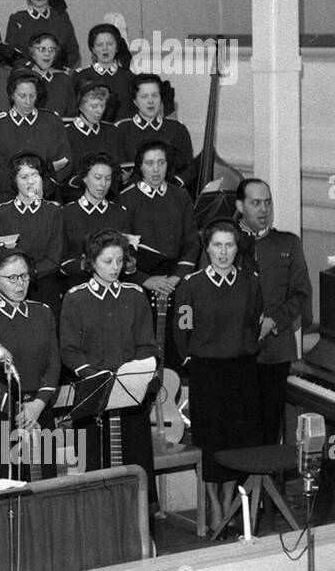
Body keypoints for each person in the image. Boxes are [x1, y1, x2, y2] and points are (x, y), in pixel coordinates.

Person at [174, 221, 265, 534]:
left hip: (240, 373)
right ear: (206, 247)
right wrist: (194, 362)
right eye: (217, 245)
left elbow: (254, 321)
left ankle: (231, 505)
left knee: (236, 442)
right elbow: (182, 329)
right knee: (211, 442)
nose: (224, 252)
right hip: (207, 374)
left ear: (237, 248)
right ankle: (216, 508)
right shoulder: (191, 285)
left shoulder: (250, 283)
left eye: (230, 245)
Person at [59, 231, 157, 476]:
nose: (115, 268)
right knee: (96, 468)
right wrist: (97, 377)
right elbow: (69, 350)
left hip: (131, 391)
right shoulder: (76, 298)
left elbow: (147, 344)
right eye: (107, 261)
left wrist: (129, 374)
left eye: (120, 261)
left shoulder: (135, 295)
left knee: (136, 462)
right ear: (91, 262)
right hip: (94, 392)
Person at [0, 250, 61, 480]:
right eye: (12, 278)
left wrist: (38, 405)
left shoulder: (43, 312)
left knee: (45, 479)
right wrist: (17, 411)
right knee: (6, 482)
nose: (20, 283)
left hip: (38, 408)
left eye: (24, 276)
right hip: (0, 409)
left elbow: (53, 364)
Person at [235, 179, 311, 445]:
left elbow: (301, 294)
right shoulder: (225, 244)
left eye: (268, 202)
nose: (264, 209)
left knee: (270, 430)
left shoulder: (287, 244)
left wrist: (273, 322)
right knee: (240, 429)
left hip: (276, 350)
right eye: (255, 203)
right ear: (240, 205)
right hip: (237, 350)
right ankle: (242, 487)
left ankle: (263, 485)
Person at [120, 140, 200, 367]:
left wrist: (175, 279)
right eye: (150, 163)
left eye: (161, 163)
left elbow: (192, 242)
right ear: (140, 166)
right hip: (142, 280)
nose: (156, 169)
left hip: (176, 279)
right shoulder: (126, 199)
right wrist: (146, 280)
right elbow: (122, 247)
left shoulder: (180, 196)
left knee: (182, 333)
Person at [0, 153, 65, 313]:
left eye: (34, 175)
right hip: (11, 285)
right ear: (14, 181)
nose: (30, 181)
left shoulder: (54, 211)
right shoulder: (2, 212)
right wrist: (17, 276)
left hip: (44, 284)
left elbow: (55, 257)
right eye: (24, 177)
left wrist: (27, 274)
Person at [115, 73, 197, 189]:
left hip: (168, 197)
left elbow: (189, 169)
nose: (150, 101)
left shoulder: (177, 129)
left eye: (155, 95)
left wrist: (173, 184)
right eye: (144, 96)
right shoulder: (121, 130)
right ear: (135, 101)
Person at [0, 73, 72, 186]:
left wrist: (44, 184)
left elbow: (65, 161)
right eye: (22, 96)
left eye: (32, 96)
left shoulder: (52, 121)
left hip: (46, 190)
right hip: (10, 191)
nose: (28, 102)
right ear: (12, 95)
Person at [60, 153, 127, 281]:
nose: (103, 184)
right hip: (78, 285)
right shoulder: (66, 213)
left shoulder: (119, 213)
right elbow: (60, 260)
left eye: (108, 178)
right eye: (97, 177)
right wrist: (87, 265)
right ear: (84, 178)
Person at [3, 0, 81, 69]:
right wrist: (31, 68)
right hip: (28, 76)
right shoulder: (18, 19)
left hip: (57, 74)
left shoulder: (61, 17)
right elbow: (11, 53)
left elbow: (73, 49)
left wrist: (60, 68)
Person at [72, 23, 134, 122]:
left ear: (117, 47)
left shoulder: (128, 77)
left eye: (110, 44)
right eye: (99, 45)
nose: (105, 49)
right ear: (93, 49)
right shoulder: (80, 76)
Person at [62, 82, 116, 196]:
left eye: (102, 105)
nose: (100, 111)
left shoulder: (111, 131)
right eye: (94, 106)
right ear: (81, 106)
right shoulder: (66, 133)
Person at [16, 32, 75, 117]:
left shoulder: (63, 80)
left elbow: (71, 113)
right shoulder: (22, 79)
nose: (47, 54)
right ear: (32, 53)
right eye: (41, 49)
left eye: (51, 49)